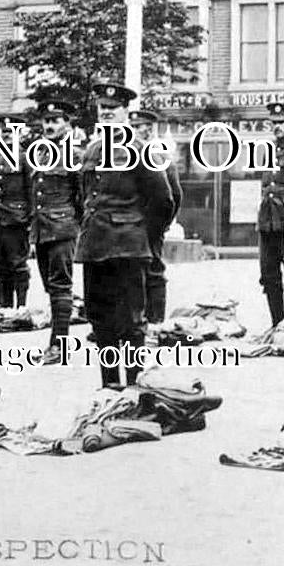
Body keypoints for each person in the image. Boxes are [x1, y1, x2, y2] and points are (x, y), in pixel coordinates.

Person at [76, 83, 174, 388]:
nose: (106, 113)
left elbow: (163, 200)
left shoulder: (139, 150)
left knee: (131, 321)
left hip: (129, 248)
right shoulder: (92, 150)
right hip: (95, 247)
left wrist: (142, 234)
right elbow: (85, 196)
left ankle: (132, 386)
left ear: (123, 113)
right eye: (102, 109)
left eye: (112, 109)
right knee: (99, 318)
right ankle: (109, 386)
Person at [31, 99, 83, 364]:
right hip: (41, 230)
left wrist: (75, 225)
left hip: (62, 228)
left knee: (61, 286)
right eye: (47, 121)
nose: (50, 125)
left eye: (55, 121)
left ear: (67, 124)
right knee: (51, 288)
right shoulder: (39, 153)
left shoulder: (74, 154)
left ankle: (59, 346)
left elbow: (82, 195)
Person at [129, 109, 181, 326]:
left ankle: (155, 319)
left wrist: (161, 224)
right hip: (129, 224)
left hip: (151, 224)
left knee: (154, 269)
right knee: (129, 272)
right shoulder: (125, 155)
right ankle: (132, 321)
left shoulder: (160, 156)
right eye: (135, 128)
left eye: (144, 129)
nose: (140, 133)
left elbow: (174, 195)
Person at [257, 102, 284, 327]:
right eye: (273, 123)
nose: (277, 127)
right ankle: (277, 324)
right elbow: (267, 186)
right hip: (267, 222)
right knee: (268, 276)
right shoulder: (268, 149)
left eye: (281, 122)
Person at [0, 114, 33, 309]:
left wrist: (30, 219)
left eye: (11, 132)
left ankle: (21, 306)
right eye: (4, 132)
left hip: (17, 220)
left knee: (18, 265)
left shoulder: (25, 158)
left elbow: (32, 190)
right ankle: (7, 307)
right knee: (2, 265)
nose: (7, 136)